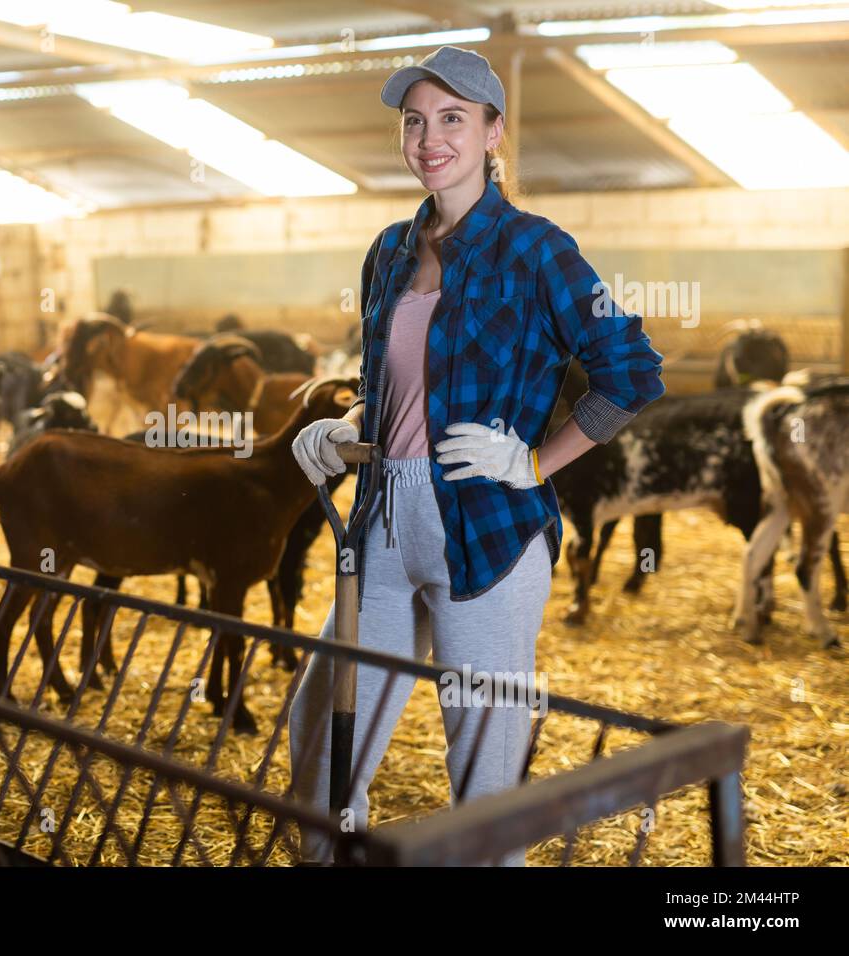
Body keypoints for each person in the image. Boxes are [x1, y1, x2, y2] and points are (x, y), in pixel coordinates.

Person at [287, 45, 666, 866]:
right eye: (415, 121)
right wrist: (344, 427)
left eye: (453, 119)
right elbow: (392, 391)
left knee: (485, 772)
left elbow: (633, 371)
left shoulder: (537, 249)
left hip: (492, 529)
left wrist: (531, 462)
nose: (431, 138)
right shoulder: (388, 250)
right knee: (322, 735)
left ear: (494, 133)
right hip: (384, 520)